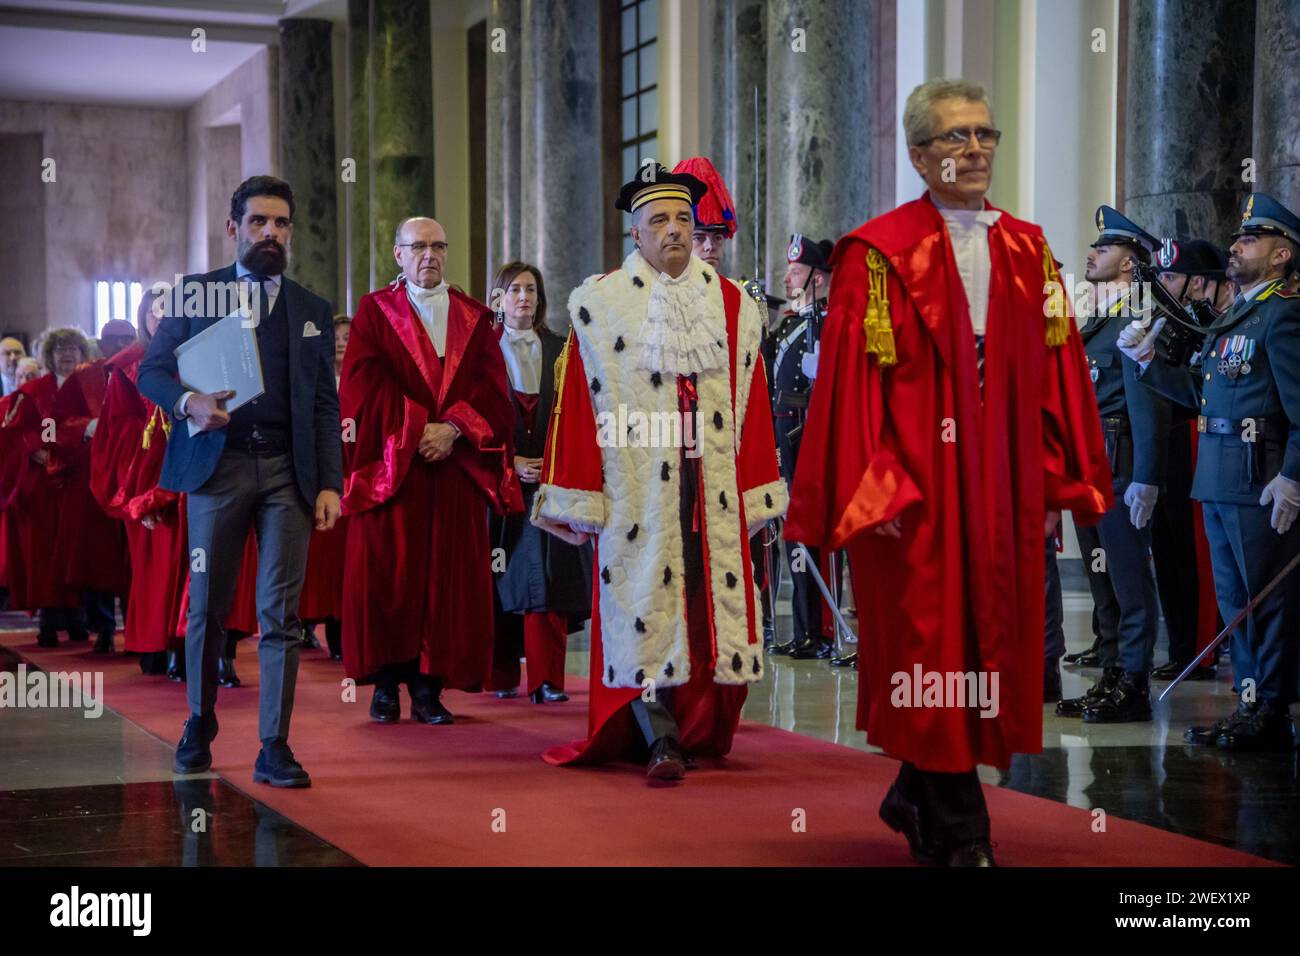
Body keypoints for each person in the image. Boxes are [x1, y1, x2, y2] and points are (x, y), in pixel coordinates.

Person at [784, 78, 1111, 865]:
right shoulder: (878, 252)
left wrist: (1051, 481)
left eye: (984, 135)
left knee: (986, 649)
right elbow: (855, 380)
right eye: (954, 138)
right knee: (927, 649)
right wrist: (874, 485)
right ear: (920, 154)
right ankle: (962, 827)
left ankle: (914, 792)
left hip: (999, 479)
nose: (973, 150)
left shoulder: (1029, 249)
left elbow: (1055, 375)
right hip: (913, 486)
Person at [533, 163, 786, 781]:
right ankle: (658, 735)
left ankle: (696, 723)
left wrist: (756, 491)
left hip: (713, 485)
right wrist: (581, 496)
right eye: (658, 221)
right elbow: (577, 412)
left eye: (682, 219)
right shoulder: (600, 304)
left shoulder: (732, 305)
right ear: (636, 235)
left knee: (700, 607)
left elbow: (753, 412)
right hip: (636, 491)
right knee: (642, 601)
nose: (674, 231)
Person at [138, 175, 343, 788]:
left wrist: (330, 481)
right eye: (258, 222)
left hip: (289, 473)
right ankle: (199, 722)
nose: (271, 233)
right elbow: (151, 372)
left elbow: (326, 406)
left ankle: (274, 745)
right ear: (234, 228)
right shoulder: (198, 295)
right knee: (208, 605)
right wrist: (188, 401)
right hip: (216, 465)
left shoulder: (310, 307)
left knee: (281, 614)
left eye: (281, 223)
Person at [1120, 192, 1300, 751]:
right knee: (1233, 602)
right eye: (1239, 236)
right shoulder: (1236, 316)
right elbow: (1206, 396)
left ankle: (1269, 707)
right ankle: (1250, 701)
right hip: (1218, 477)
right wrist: (1151, 364)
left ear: (1281, 256)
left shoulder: (1284, 315)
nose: (1236, 244)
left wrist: (1292, 475)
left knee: (1264, 602)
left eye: (1251, 238)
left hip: (1256, 477)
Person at [339, 216, 519, 726]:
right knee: (390, 577)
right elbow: (360, 387)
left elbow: (492, 392)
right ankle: (386, 685)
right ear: (398, 254)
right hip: (395, 469)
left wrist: (455, 429)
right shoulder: (375, 312)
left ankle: (428, 686)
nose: (429, 256)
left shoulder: (475, 316)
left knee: (447, 580)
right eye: (418, 246)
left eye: (438, 246)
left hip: (452, 471)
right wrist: (417, 428)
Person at [1055, 207, 1171, 724]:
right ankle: (1109, 674)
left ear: (1130, 263)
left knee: (1127, 579)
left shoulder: (1138, 318)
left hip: (1120, 465)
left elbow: (1148, 406)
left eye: (1104, 248)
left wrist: (1145, 478)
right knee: (1101, 580)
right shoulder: (1098, 319)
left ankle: (1133, 682)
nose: (1092, 254)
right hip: (1090, 466)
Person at [486, 261, 592, 703]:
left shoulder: (563, 349)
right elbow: (473, 417)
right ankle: (500, 674)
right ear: (498, 299)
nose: (523, 298)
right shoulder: (481, 351)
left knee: (548, 579)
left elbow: (579, 415)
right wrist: (510, 463)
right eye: (514, 290)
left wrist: (549, 464)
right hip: (496, 482)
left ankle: (548, 680)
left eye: (531, 289)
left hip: (551, 483)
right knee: (498, 574)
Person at [0, 328, 128, 652]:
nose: (67, 354)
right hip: (46, 485)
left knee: (88, 554)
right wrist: (41, 445)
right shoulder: (36, 391)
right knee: (48, 555)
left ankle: (90, 623)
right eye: (60, 349)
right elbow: (36, 429)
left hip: (87, 480)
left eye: (73, 347)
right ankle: (51, 621)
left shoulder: (97, 383)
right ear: (49, 355)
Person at [1148, 238, 1230, 680]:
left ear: (1199, 282)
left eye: (1172, 276)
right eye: (1160, 275)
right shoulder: (1168, 324)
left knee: (1193, 551)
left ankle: (1199, 648)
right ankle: (1181, 644)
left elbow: (1198, 391)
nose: (1162, 284)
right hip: (1168, 443)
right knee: (1167, 550)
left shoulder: (1212, 326)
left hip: (1196, 442)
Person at [767, 233, 837, 661]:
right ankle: (803, 627)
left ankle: (822, 628)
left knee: (816, 532)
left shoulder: (831, 321)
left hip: (811, 435)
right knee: (793, 533)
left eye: (797, 270)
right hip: (784, 435)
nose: (789, 276)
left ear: (819, 277)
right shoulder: (792, 323)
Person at [297, 313, 352, 661]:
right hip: (316, 478)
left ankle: (341, 629)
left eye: (348, 335)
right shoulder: (311, 380)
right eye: (335, 336)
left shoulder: (362, 380)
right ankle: (304, 622)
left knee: (344, 562)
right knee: (313, 560)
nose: (342, 341)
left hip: (354, 480)